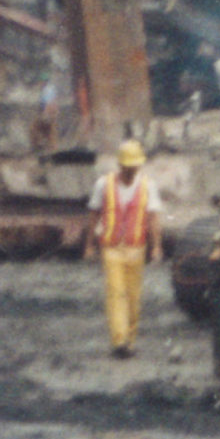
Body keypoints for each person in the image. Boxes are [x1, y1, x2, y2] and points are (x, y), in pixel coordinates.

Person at [83, 140, 165, 359]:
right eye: (128, 166)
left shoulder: (148, 186)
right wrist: (89, 245)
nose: (131, 170)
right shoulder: (104, 184)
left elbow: (153, 217)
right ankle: (119, 340)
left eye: (134, 166)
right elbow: (94, 214)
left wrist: (157, 246)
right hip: (111, 248)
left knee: (133, 296)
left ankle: (129, 339)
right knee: (116, 293)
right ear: (120, 165)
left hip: (136, 248)